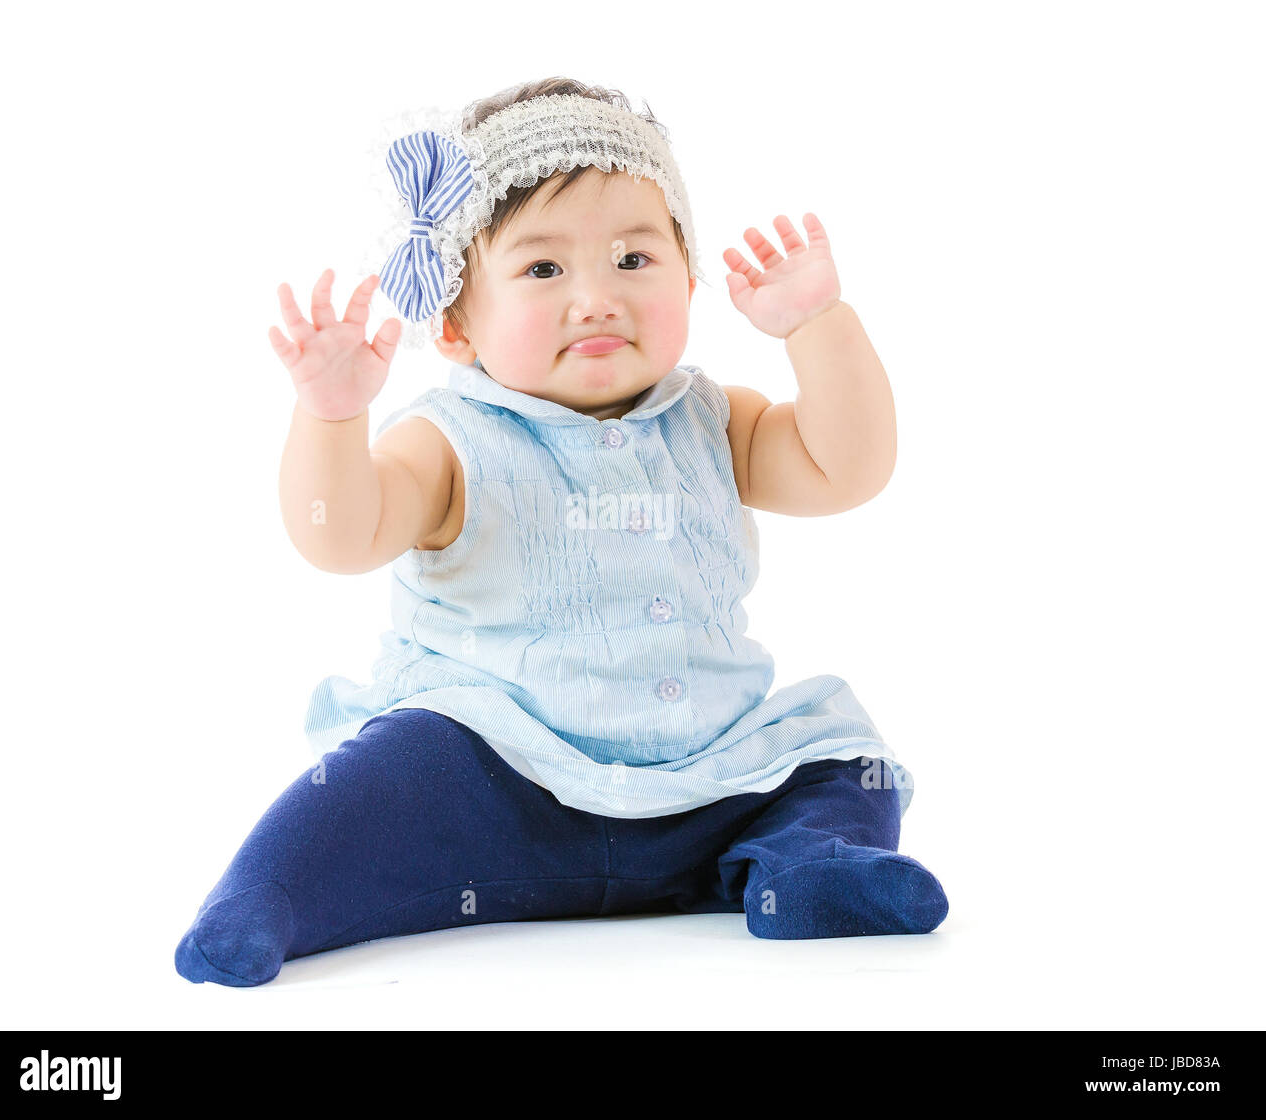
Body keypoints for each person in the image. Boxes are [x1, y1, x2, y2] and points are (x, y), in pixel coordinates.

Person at [175, 77, 948, 988]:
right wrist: (334, 419)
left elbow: (846, 468)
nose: (596, 298)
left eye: (634, 259)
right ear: (458, 327)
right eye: (544, 270)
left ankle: (805, 873)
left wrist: (820, 325)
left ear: (689, 278)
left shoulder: (713, 419)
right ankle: (269, 892)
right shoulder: (450, 441)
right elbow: (339, 537)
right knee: (374, 783)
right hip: (499, 779)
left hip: (707, 781)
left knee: (841, 763)